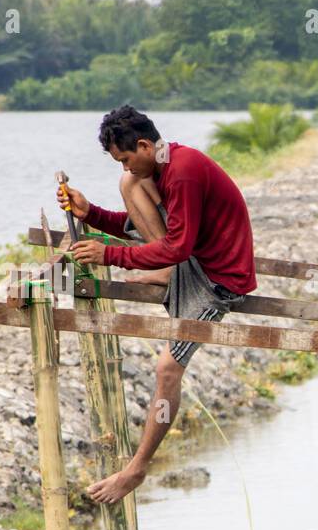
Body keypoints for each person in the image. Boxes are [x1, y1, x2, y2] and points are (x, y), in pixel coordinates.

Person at [56, 105, 257, 503]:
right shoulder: (163, 167)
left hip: (219, 280)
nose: (127, 165)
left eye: (128, 157)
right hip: (194, 259)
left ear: (146, 145)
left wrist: (110, 255)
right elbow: (149, 229)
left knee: (167, 369)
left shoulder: (182, 171)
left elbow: (177, 245)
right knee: (129, 186)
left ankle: (137, 468)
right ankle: (166, 273)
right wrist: (90, 213)